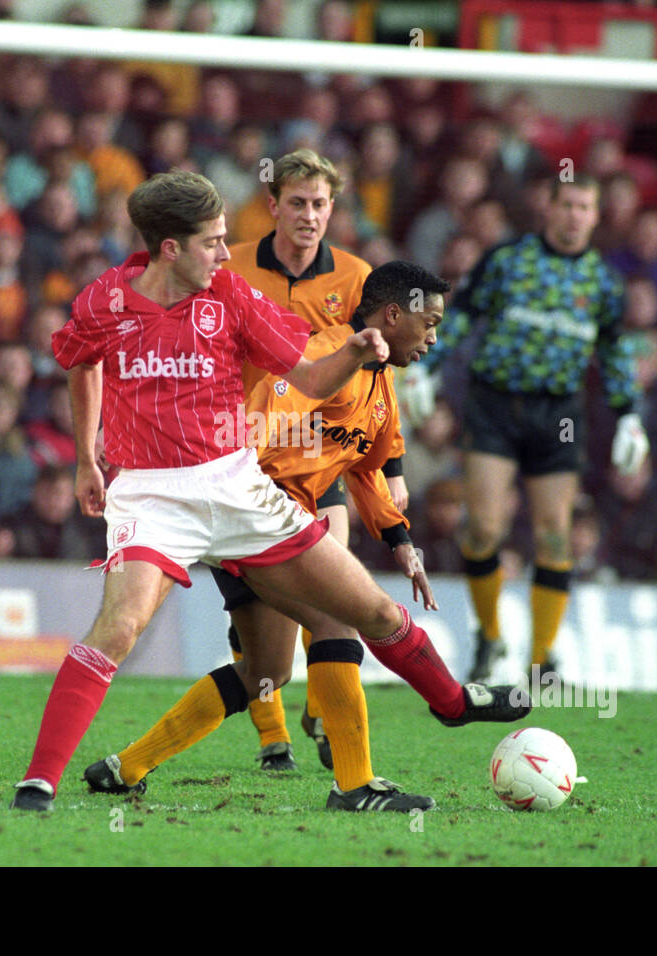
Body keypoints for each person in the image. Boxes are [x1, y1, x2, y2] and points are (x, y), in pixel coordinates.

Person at [12, 172, 529, 814]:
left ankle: (450, 705)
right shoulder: (106, 301)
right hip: (149, 497)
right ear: (169, 248)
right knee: (118, 628)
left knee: (363, 613)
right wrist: (88, 458)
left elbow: (309, 376)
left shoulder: (228, 296)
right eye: (213, 242)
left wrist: (359, 352)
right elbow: (81, 360)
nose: (227, 255)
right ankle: (38, 783)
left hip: (238, 489)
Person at [425, 174, 648, 684]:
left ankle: (542, 658)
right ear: (547, 208)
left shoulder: (603, 283)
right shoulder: (507, 261)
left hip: (560, 415)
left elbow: (615, 352)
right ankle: (489, 635)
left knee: (554, 535)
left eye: (584, 206)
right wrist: (426, 365)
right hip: (495, 405)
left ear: (596, 215)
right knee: (483, 528)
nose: (574, 214)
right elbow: (460, 315)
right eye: (566, 203)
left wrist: (629, 414)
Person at [222, 147, 388, 771]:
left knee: (335, 596)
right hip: (242, 458)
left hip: (319, 460)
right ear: (272, 207)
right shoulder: (230, 267)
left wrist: (387, 470)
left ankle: (323, 712)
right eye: (297, 202)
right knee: (264, 630)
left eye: (320, 204)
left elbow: (378, 371)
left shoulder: (355, 278)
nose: (309, 215)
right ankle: (273, 730)